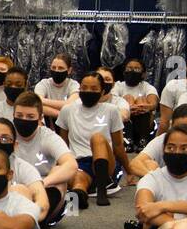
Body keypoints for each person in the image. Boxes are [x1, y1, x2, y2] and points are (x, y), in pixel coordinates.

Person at [11, 91, 76, 229]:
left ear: (40, 118)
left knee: (59, 175)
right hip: (13, 197)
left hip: (45, 198)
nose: (24, 121)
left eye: (30, 117)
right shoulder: (6, 135)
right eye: (20, 116)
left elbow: (71, 165)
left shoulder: (47, 136)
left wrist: (40, 185)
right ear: (13, 115)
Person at [55, 72, 131, 207]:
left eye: (94, 89)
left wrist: (129, 172)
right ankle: (80, 195)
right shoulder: (67, 110)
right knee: (78, 181)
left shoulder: (111, 110)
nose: (88, 91)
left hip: (105, 162)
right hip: (79, 162)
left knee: (97, 138)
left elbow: (118, 146)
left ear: (102, 92)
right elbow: (62, 144)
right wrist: (61, 168)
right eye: (84, 88)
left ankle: (102, 190)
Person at [129, 103, 187, 182]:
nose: (183, 132)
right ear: (171, 126)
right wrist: (157, 177)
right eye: (178, 128)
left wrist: (180, 177)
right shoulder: (161, 140)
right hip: (163, 186)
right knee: (150, 165)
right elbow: (135, 163)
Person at [118, 58, 160, 150]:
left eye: (137, 69)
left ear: (143, 74)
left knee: (141, 99)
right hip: (123, 125)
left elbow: (153, 104)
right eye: (129, 68)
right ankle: (128, 139)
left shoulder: (147, 87)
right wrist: (128, 109)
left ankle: (143, 139)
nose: (132, 71)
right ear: (124, 71)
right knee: (127, 98)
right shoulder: (118, 86)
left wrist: (141, 107)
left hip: (144, 123)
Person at [34, 53, 79, 121]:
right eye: (53, 67)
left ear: (69, 70)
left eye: (61, 68)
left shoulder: (74, 85)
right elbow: (36, 105)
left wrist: (42, 101)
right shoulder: (43, 84)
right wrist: (61, 115)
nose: (56, 70)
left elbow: (71, 104)